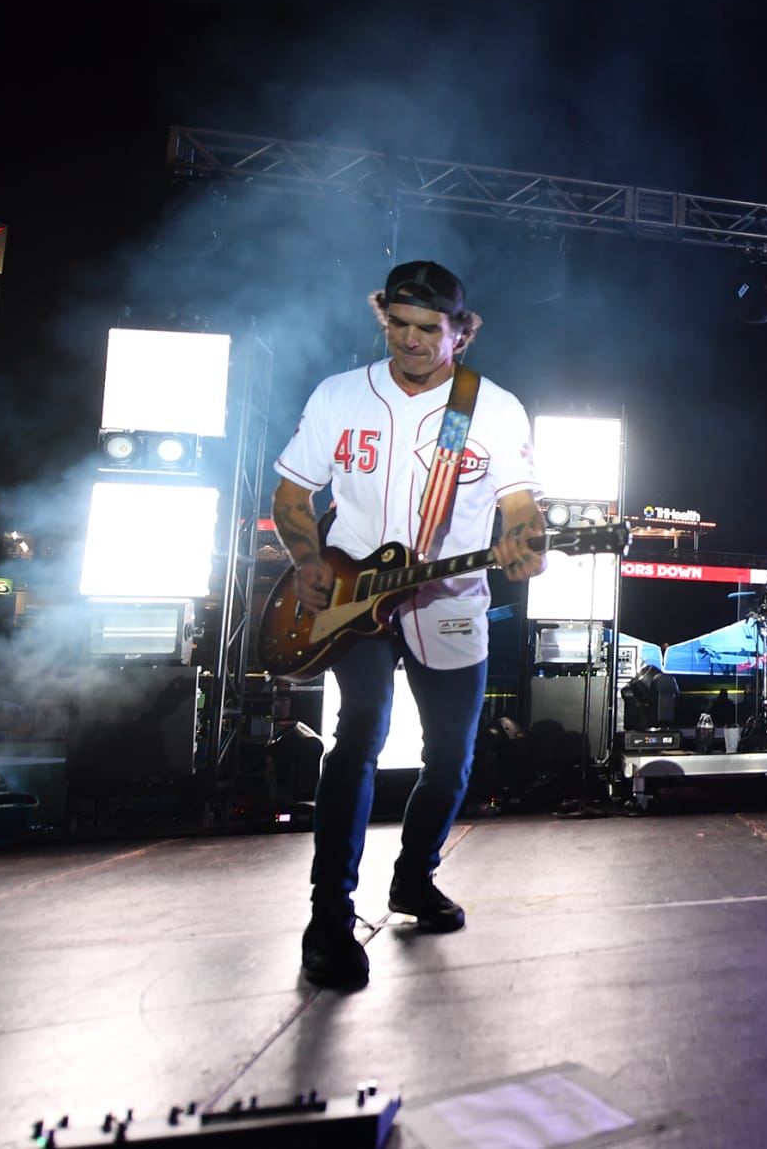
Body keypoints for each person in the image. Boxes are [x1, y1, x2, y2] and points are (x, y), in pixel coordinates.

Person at [271, 260, 547, 990]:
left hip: (448, 600)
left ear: (462, 332)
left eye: (428, 328)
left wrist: (528, 544)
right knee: (359, 732)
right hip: (354, 595)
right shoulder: (338, 395)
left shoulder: (492, 409)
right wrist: (306, 560)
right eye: (397, 323)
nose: (410, 339)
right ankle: (328, 916)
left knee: (451, 758)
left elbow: (521, 510)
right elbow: (293, 496)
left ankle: (414, 879)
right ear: (382, 317)